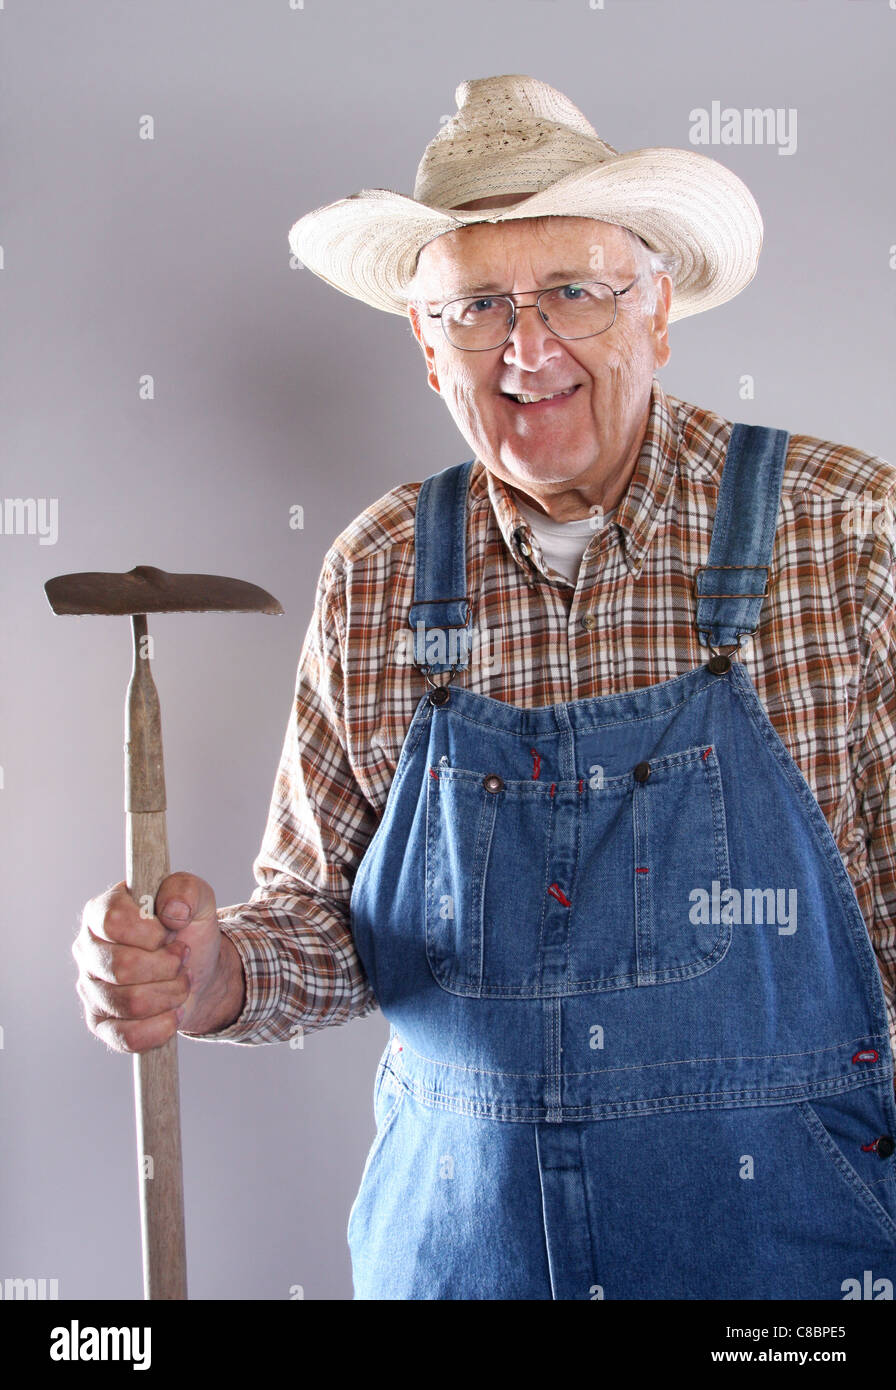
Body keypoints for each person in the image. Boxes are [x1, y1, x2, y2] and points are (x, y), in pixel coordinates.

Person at [73, 74, 896, 1300]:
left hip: (780, 1266)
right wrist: (210, 973)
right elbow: (324, 924)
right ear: (423, 344)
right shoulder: (382, 568)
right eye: (475, 308)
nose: (526, 349)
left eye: (572, 291)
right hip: (462, 1260)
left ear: (656, 310)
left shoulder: (844, 538)